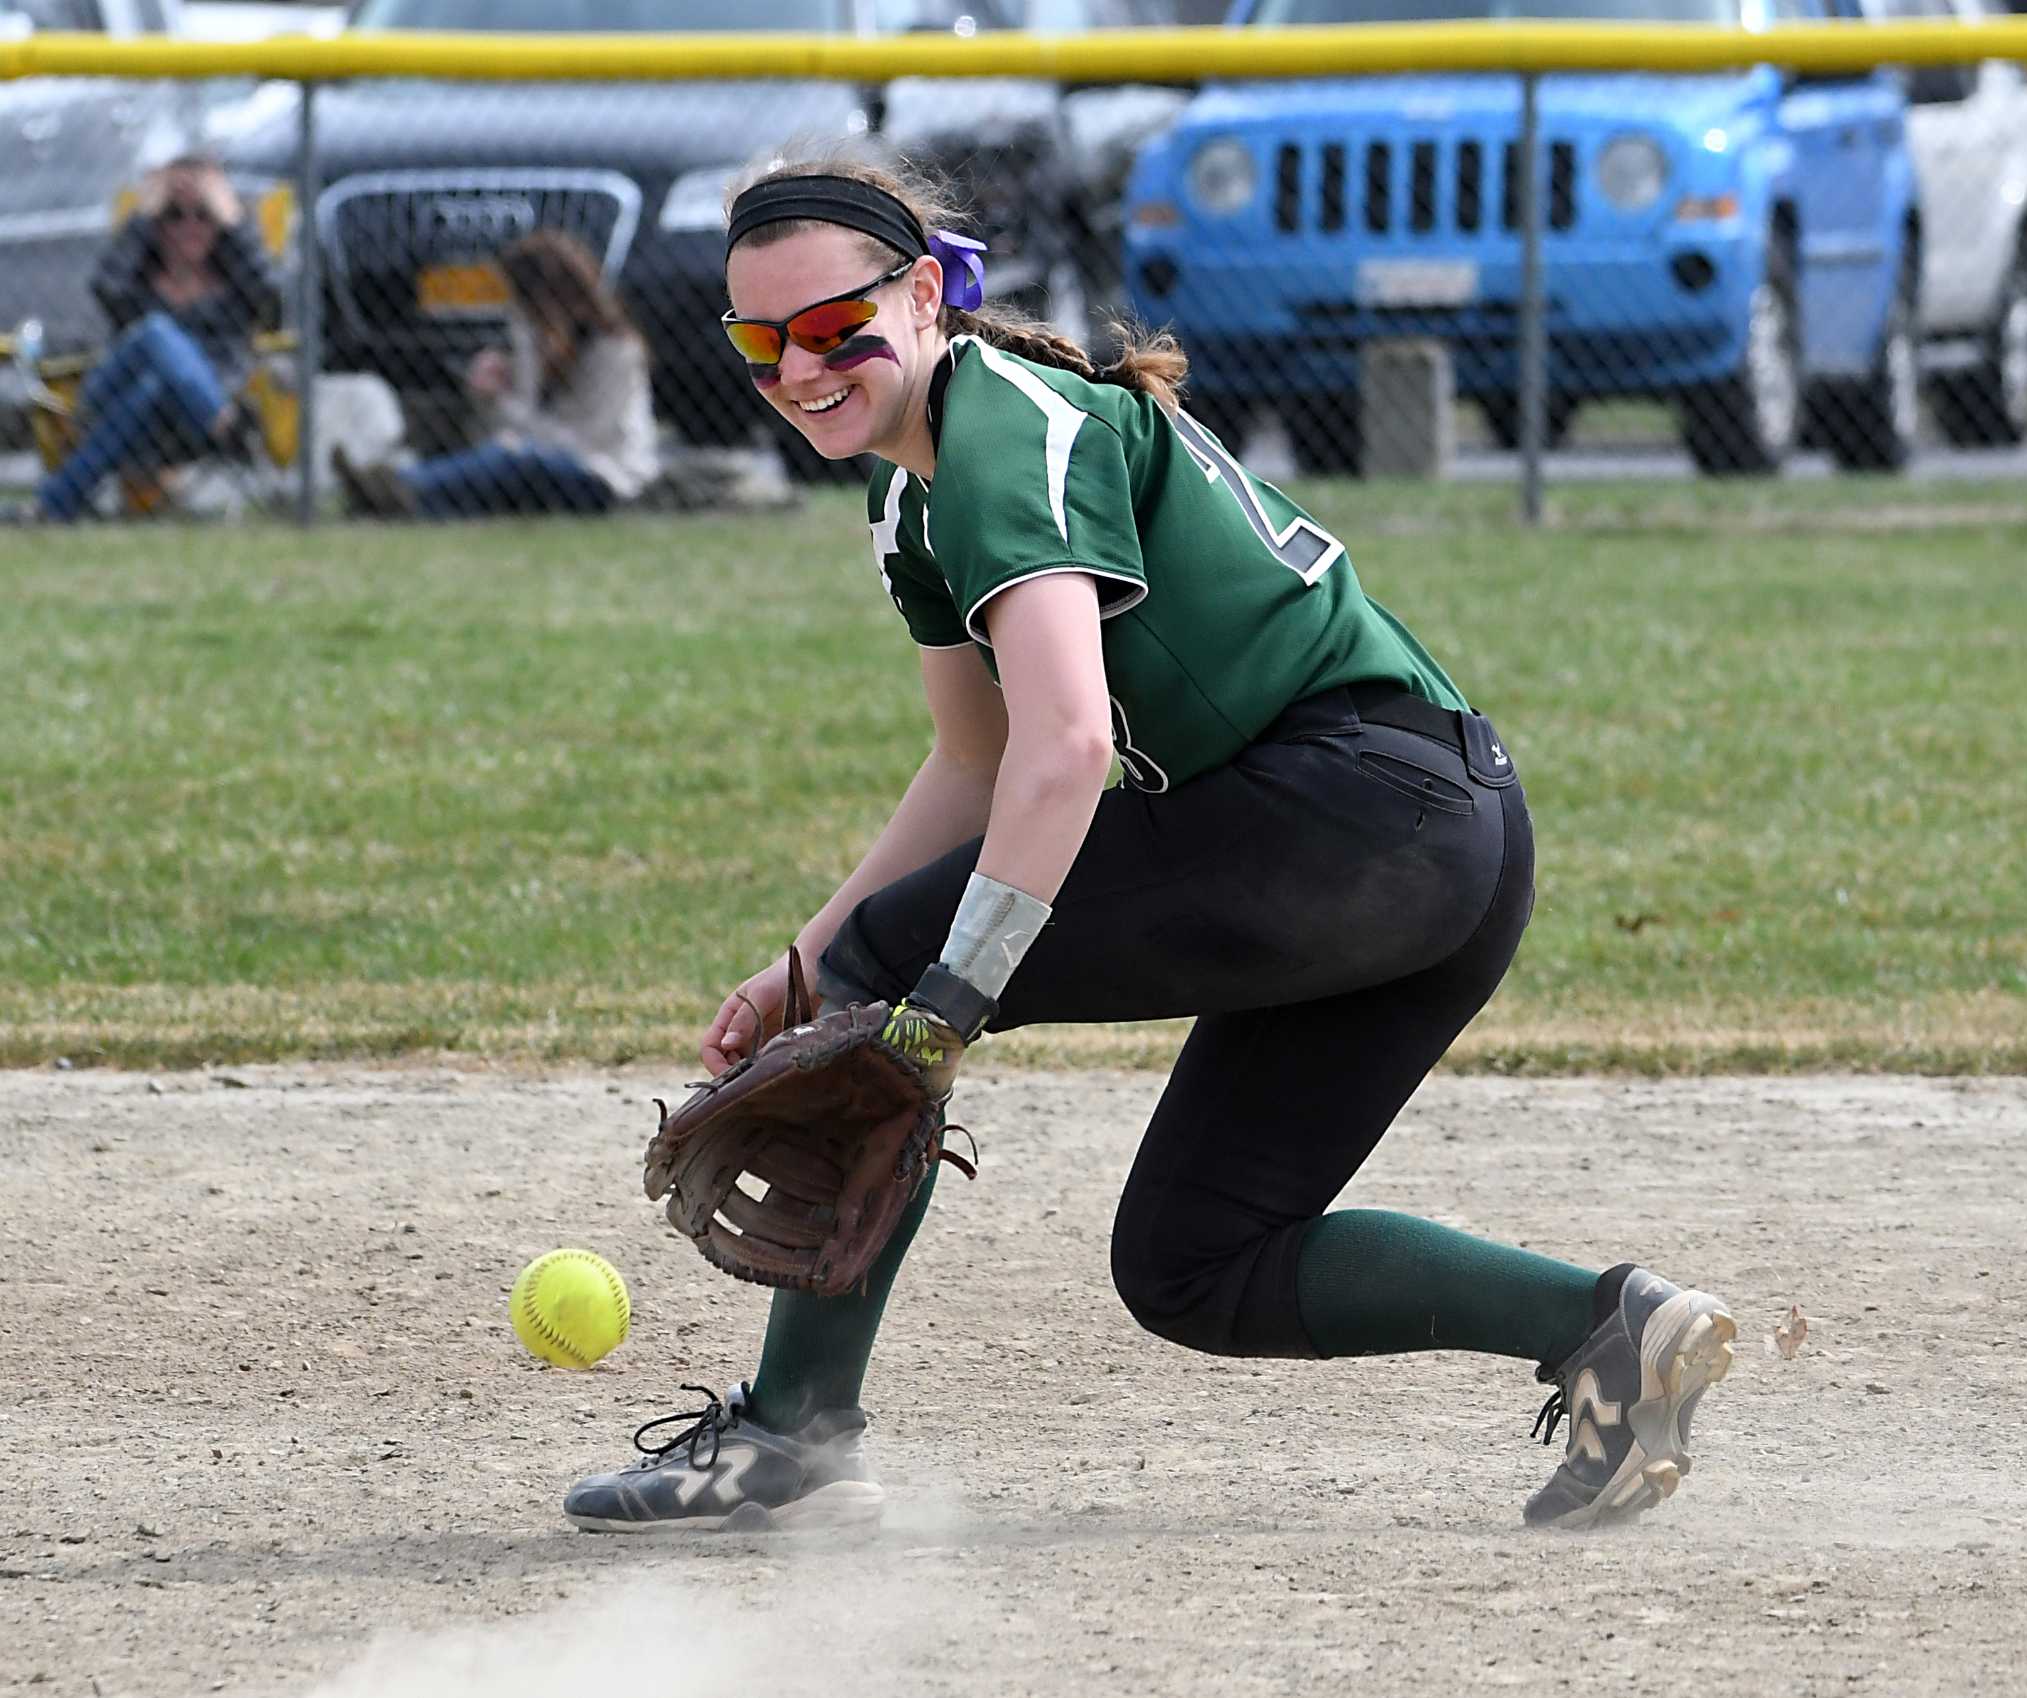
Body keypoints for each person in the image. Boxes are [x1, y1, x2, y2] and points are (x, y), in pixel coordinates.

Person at [562, 151, 1737, 1536]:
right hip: (1426, 839)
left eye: (832, 326)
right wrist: (809, 963)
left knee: (902, 966)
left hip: (1361, 814)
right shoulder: (916, 487)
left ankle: (792, 1436)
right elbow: (976, 759)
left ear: (926, 294)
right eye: (761, 345)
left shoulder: (1001, 430)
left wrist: (938, 1000)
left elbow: (1065, 747)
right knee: (1194, 1260)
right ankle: (1605, 1328)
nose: (800, 369)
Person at [9, 157, 280, 524]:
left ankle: (52, 506)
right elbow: (105, 287)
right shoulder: (137, 276)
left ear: (219, 222)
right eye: (173, 214)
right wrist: (142, 216)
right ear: (156, 223)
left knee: (149, 391)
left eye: (203, 214)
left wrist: (233, 219)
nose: (189, 227)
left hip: (179, 418)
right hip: (111, 392)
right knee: (154, 332)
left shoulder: (236, 286)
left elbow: (272, 296)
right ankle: (225, 422)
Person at [333, 231, 656, 519]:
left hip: (603, 474)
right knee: (500, 469)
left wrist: (504, 408)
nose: (517, 314)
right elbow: (503, 431)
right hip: (539, 464)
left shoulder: (616, 353)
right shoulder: (537, 345)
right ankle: (398, 498)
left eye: (523, 304)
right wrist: (489, 393)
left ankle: (398, 487)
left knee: (512, 462)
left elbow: (583, 443)